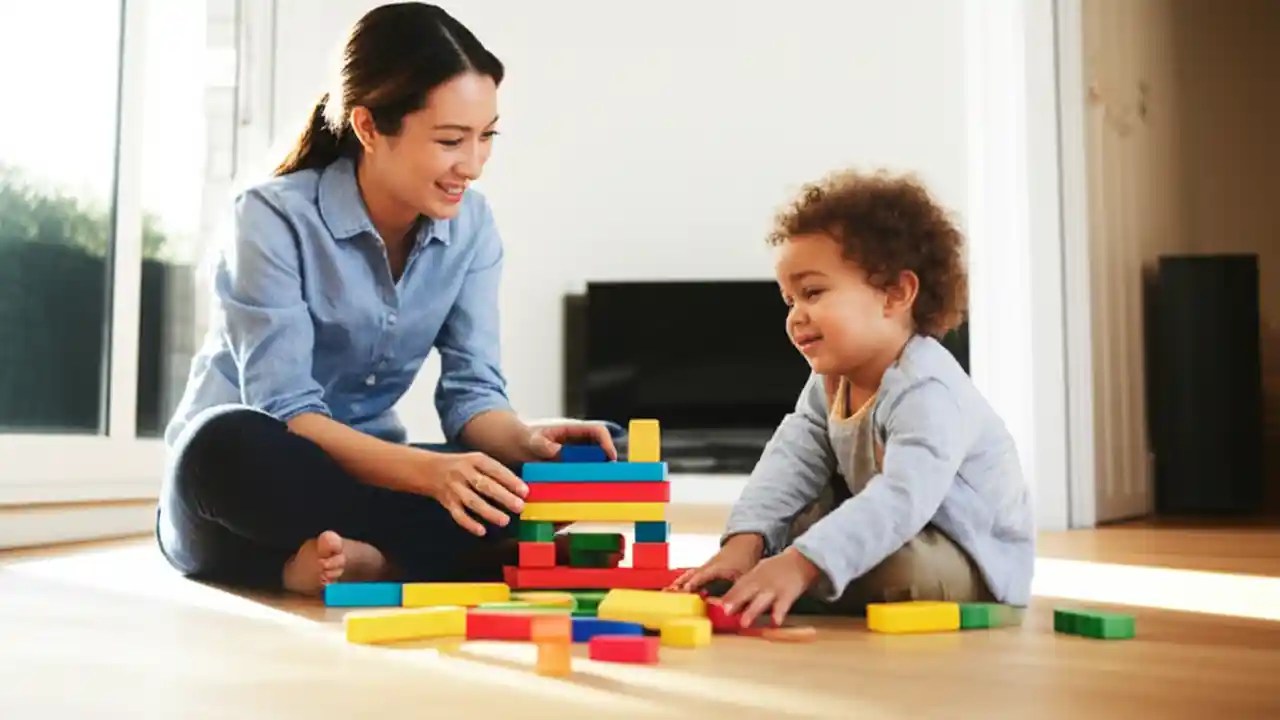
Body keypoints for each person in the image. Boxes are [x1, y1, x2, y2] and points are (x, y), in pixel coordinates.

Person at [156, 2, 613, 596]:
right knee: (220, 446)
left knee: (600, 455)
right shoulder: (270, 217)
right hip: (254, 481)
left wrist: (529, 443)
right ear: (369, 128)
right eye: (451, 140)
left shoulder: (471, 227)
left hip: (377, 482)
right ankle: (440, 559)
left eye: (486, 137)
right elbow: (288, 413)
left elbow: (473, 395)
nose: (472, 165)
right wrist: (433, 474)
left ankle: (361, 559)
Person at [671, 170, 1035, 627]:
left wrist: (800, 562)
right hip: (893, 528)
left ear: (896, 294)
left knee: (894, 567)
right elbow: (789, 464)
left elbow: (904, 498)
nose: (796, 316)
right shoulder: (830, 380)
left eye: (813, 292)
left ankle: (803, 575)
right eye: (789, 300)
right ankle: (790, 572)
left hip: (967, 554)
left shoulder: (927, 389)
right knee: (796, 517)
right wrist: (745, 543)